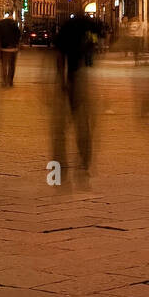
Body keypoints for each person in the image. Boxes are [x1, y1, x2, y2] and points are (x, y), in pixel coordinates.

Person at [53, 14, 97, 179]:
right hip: (80, 77)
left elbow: (59, 58)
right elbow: (90, 51)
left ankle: (60, 162)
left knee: (62, 124)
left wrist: (61, 80)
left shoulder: (64, 34)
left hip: (70, 79)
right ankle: (84, 159)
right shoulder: (85, 34)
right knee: (82, 121)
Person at [0, 15, 21, 87]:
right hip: (13, 48)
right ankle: (10, 81)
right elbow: (18, 34)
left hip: (4, 48)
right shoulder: (14, 24)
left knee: (4, 65)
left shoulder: (1, 24)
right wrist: (16, 43)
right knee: (12, 65)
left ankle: (4, 81)